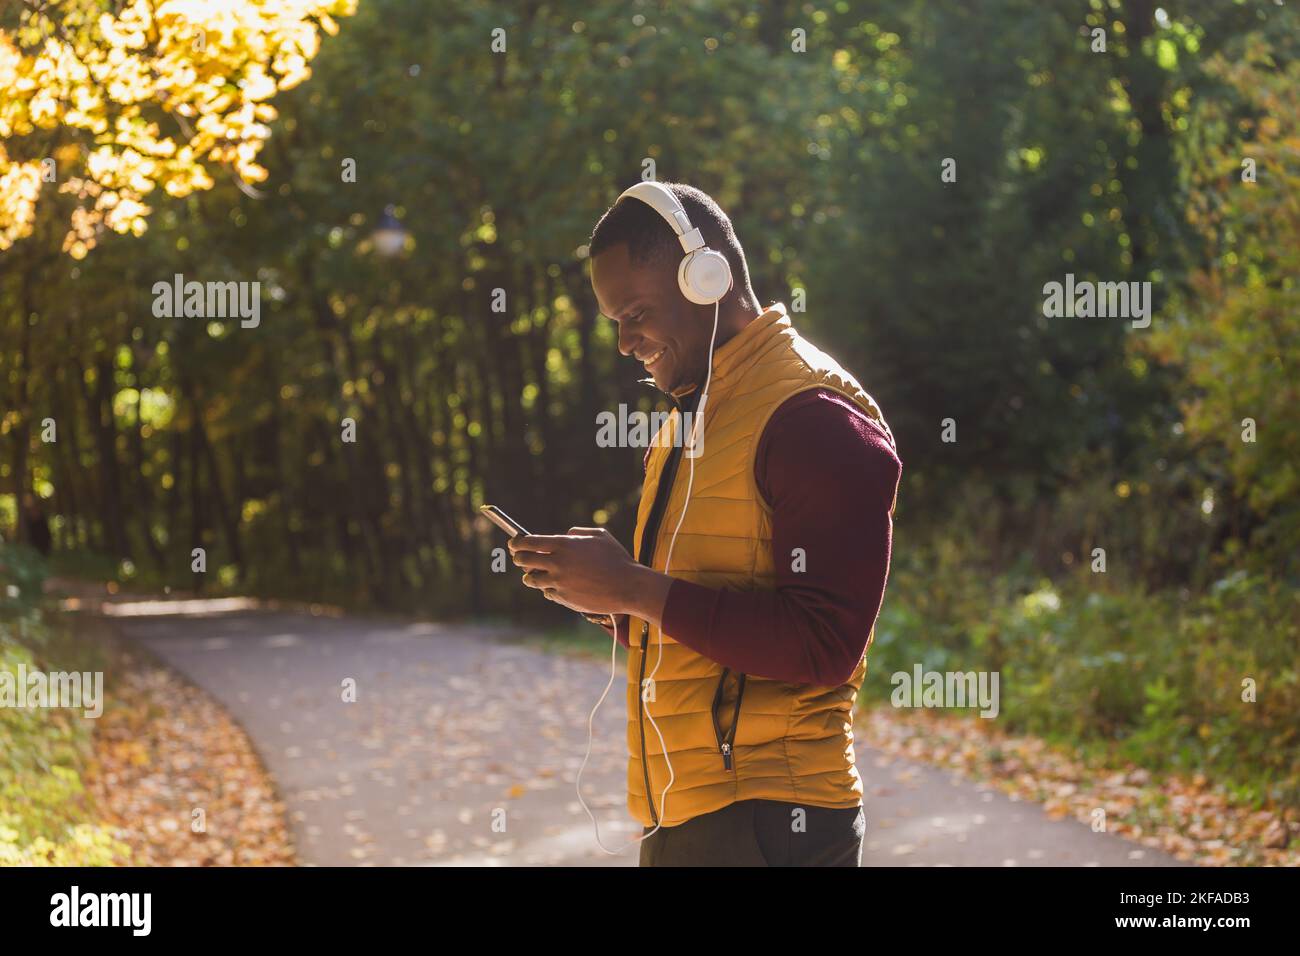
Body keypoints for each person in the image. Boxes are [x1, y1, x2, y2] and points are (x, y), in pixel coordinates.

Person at [509, 182, 901, 866]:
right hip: (684, 811)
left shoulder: (813, 418)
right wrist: (611, 599)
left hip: (770, 818)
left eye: (636, 313)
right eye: (614, 322)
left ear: (707, 276)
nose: (626, 342)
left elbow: (823, 643)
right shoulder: (692, 417)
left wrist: (635, 589)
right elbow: (708, 605)